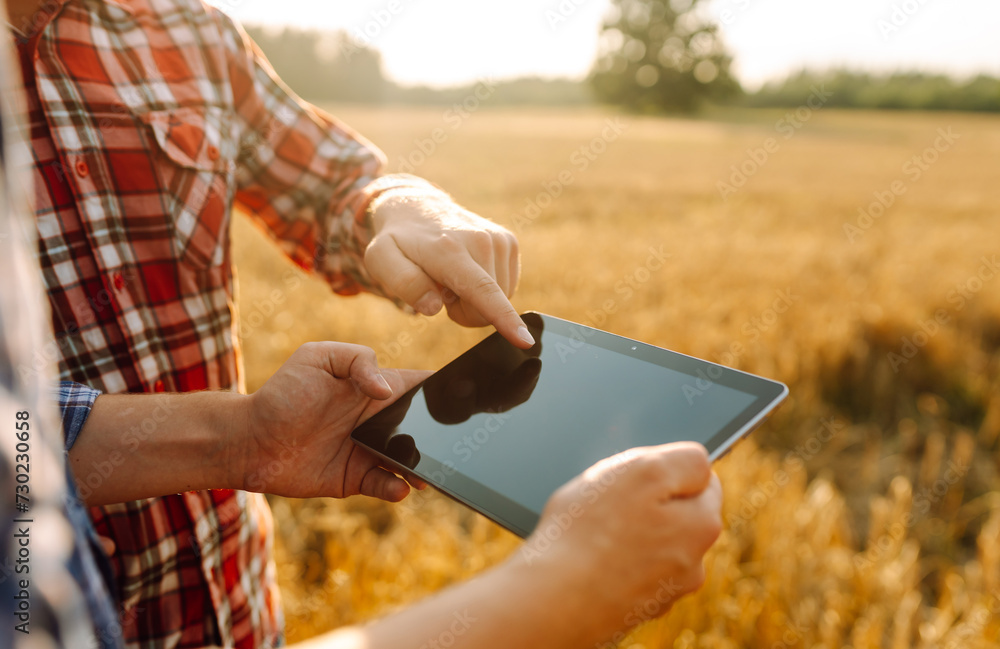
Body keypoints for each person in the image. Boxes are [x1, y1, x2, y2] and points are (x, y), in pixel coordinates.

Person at [1, 2, 722, 649]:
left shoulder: (186, 31)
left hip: (234, 606)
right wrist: (565, 592)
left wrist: (407, 208)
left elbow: (338, 185)